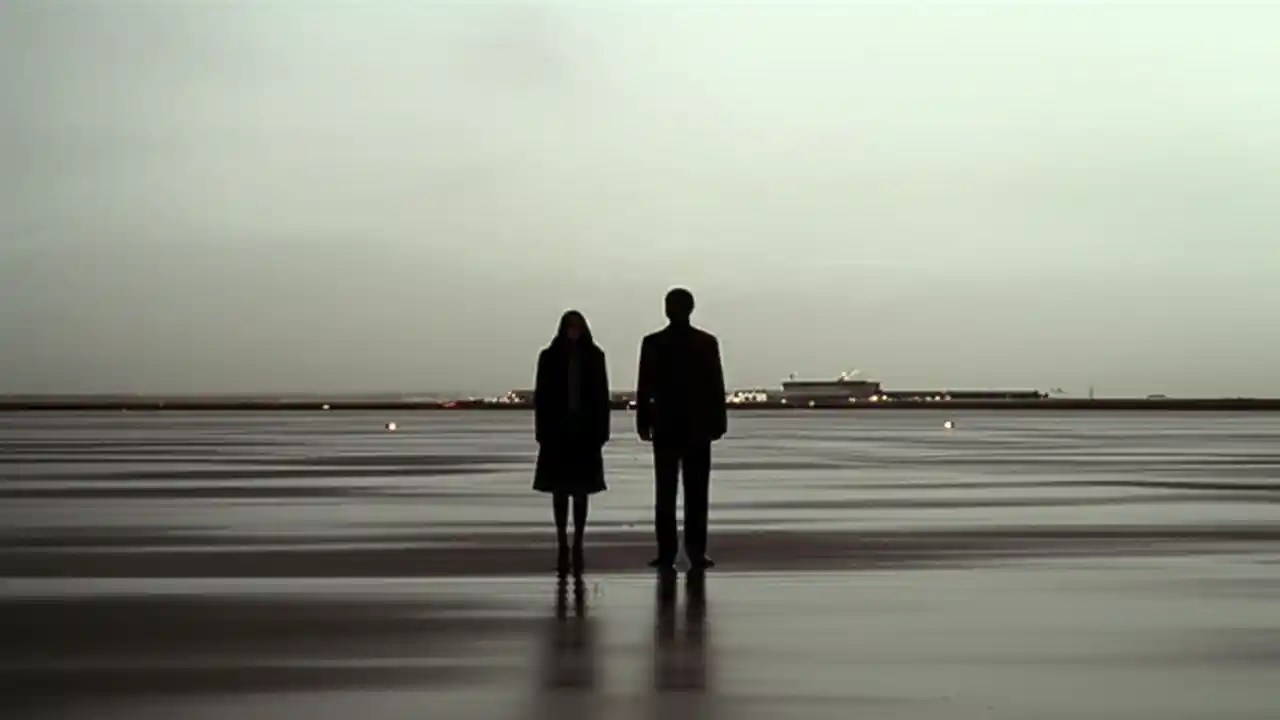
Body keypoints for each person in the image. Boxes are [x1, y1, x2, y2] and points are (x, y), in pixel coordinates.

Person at [635, 288, 727, 571]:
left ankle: (671, 552)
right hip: (690, 425)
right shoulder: (704, 342)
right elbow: (715, 386)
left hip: (673, 425)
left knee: (668, 492)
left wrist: (643, 420)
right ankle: (692, 551)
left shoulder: (655, 343)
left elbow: (645, 387)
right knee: (693, 493)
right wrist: (718, 421)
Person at [534, 310, 611, 577]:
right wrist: (542, 431)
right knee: (559, 490)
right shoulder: (549, 357)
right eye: (570, 327)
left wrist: (602, 432)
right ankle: (561, 538)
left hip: (585, 433)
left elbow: (602, 396)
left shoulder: (594, 357)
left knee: (581, 490)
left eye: (577, 327)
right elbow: (541, 398)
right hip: (557, 432)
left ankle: (577, 537)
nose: (574, 331)